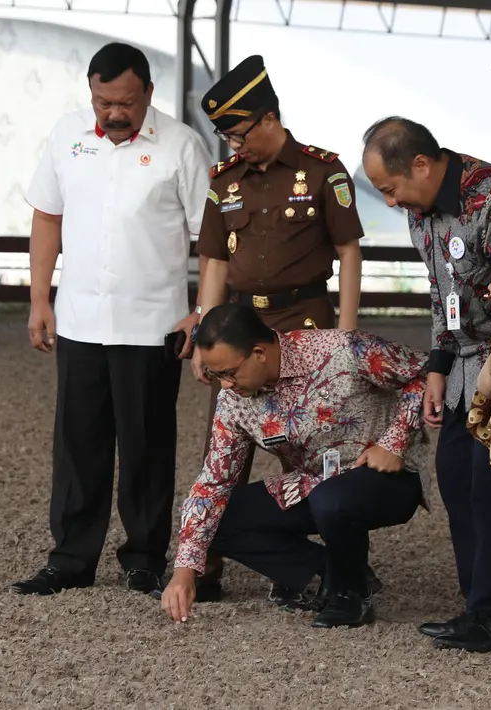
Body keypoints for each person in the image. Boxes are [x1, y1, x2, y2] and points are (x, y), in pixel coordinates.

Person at [11, 42, 211, 598]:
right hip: (78, 318)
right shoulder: (65, 134)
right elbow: (46, 216)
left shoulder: (182, 145)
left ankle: (144, 558)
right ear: (91, 93)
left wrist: (203, 311)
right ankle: (71, 558)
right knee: (78, 443)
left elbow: (213, 238)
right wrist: (39, 299)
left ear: (148, 92)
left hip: (153, 325)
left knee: (146, 444)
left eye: (125, 102)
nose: (114, 113)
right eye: (103, 103)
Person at [191, 54, 367, 601]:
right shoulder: (225, 181)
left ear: (269, 118)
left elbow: (349, 252)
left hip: (305, 321)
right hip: (237, 328)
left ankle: (339, 569)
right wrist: (203, 335)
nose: (234, 147)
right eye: (227, 138)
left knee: (320, 448)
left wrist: (348, 339)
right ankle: (209, 565)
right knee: (224, 450)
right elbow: (216, 261)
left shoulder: (323, 169)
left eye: (240, 134)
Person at [361, 117, 491, 653]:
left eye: (390, 189)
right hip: (459, 363)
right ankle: (478, 604)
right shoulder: (421, 213)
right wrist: (436, 365)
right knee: (456, 477)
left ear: (421, 164)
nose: (390, 203)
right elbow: (442, 295)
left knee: (490, 484)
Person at [160, 303, 430, 628]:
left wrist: (394, 442)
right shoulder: (233, 401)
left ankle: (350, 594)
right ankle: (333, 568)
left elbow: (425, 371)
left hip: (389, 477)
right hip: (311, 484)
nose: (226, 384)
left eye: (229, 372)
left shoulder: (341, 350)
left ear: (259, 352)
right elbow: (212, 485)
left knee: (331, 499)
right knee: (216, 519)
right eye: (217, 376)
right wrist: (184, 570)